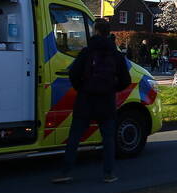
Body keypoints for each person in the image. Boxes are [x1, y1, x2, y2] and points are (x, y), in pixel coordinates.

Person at [52, 18, 131, 184]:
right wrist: (112, 88)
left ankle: (65, 172)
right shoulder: (116, 54)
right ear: (109, 32)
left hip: (86, 99)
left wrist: (82, 88)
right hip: (106, 101)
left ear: (95, 31)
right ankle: (108, 174)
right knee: (108, 139)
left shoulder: (86, 52)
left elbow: (73, 74)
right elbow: (126, 80)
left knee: (74, 137)